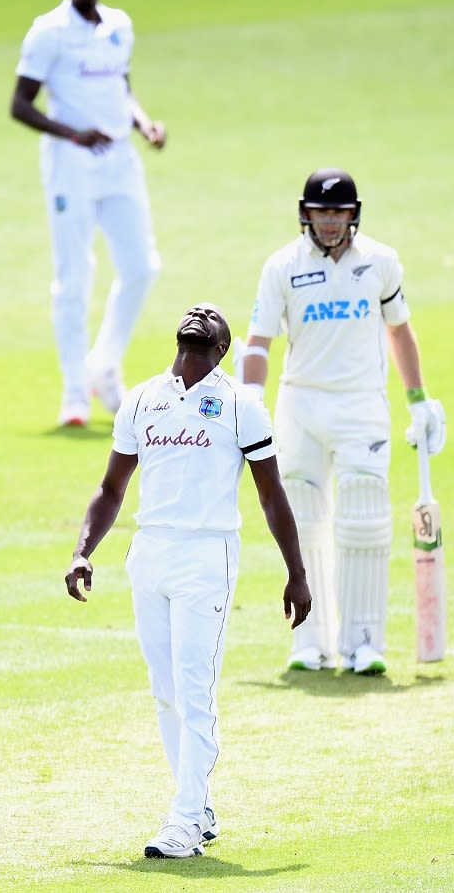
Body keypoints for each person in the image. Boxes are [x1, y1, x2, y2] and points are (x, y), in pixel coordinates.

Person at [65, 303, 311, 859]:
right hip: (149, 553)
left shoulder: (239, 404)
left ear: (223, 347)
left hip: (206, 557)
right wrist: (82, 551)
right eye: (194, 311)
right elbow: (111, 489)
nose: (200, 312)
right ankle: (197, 807)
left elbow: (271, 496)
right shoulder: (143, 398)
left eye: (213, 315)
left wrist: (296, 572)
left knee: (195, 692)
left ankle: (182, 822)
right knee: (166, 692)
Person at [235, 167, 446, 676]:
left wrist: (418, 399)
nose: (330, 223)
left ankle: (363, 643)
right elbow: (258, 342)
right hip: (300, 407)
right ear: (305, 214)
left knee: (365, 521)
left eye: (339, 213)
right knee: (302, 521)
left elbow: (399, 331)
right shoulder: (281, 266)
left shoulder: (380, 262)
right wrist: (249, 403)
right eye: (321, 212)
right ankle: (309, 641)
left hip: (361, 406)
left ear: (354, 214)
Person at [10, 0, 166, 428]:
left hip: (118, 160)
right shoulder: (48, 31)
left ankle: (104, 363)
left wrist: (143, 122)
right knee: (75, 276)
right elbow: (20, 103)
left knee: (142, 266)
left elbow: (121, 86)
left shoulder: (120, 25)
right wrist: (71, 133)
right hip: (70, 164)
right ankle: (75, 394)